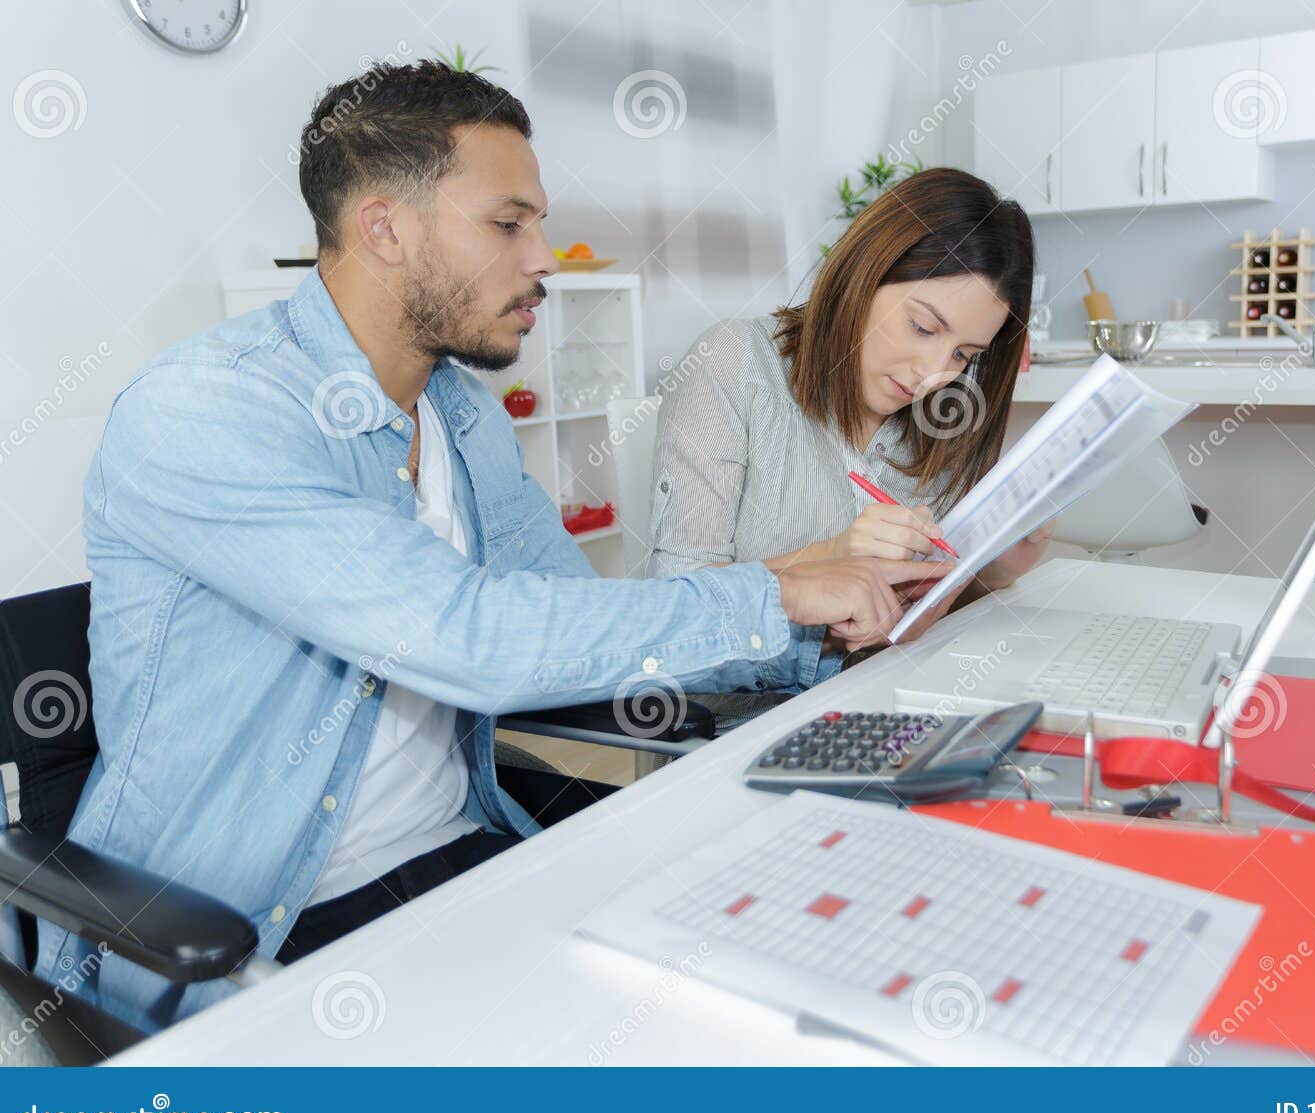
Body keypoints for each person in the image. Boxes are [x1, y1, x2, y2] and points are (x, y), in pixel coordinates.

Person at [28, 62, 946, 1033]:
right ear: (386, 227)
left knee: (762, 996)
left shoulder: (459, 414)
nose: (545, 257)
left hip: (457, 854)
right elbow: (465, 635)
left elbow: (564, 621)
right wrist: (778, 592)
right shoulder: (209, 410)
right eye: (509, 224)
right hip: (244, 929)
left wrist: (822, 626)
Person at [649, 167, 1055, 707]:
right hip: (742, 728)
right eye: (924, 327)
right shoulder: (735, 365)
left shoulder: (945, 415)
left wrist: (996, 568)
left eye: (963, 355)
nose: (933, 372)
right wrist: (831, 558)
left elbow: (918, 618)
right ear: (866, 272)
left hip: (888, 706)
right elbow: (670, 605)